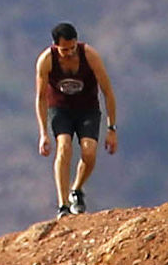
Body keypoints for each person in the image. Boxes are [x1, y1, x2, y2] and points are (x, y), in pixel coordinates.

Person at [30, 22, 117, 217]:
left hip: (87, 109)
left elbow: (108, 92)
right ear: (55, 45)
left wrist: (112, 128)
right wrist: (43, 133)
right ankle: (63, 205)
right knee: (64, 146)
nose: (69, 53)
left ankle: (76, 189)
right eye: (64, 50)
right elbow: (41, 97)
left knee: (89, 152)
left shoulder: (89, 56)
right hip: (60, 109)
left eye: (71, 48)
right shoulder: (46, 60)